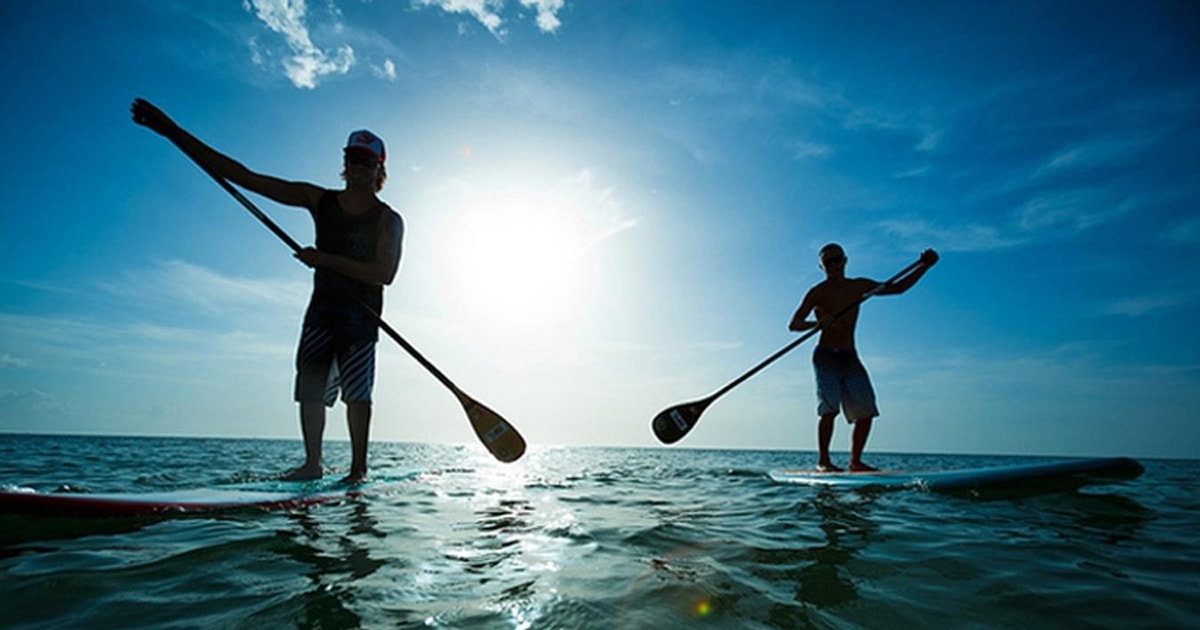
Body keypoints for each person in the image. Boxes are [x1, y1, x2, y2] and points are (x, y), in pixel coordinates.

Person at [131, 99, 404, 483]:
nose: (358, 167)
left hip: (361, 319)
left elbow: (384, 273)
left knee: (357, 396)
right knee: (309, 388)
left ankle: (358, 470)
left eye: (366, 161)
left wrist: (324, 260)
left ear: (379, 169)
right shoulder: (318, 199)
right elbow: (244, 176)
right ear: (345, 163)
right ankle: (313, 465)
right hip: (321, 315)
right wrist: (171, 131)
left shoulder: (389, 220)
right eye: (352, 159)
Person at [788, 244, 938, 472]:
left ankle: (855, 462)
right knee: (829, 410)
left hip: (850, 355)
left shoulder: (858, 286)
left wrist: (924, 266)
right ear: (822, 267)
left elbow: (897, 288)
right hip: (825, 355)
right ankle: (824, 462)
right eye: (828, 262)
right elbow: (794, 324)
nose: (833, 265)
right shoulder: (817, 293)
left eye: (837, 260)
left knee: (866, 410)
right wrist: (816, 323)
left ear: (845, 261)